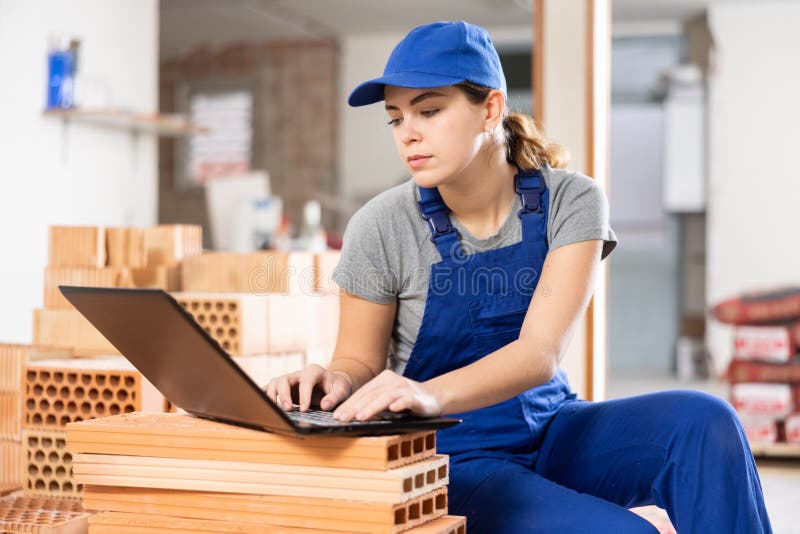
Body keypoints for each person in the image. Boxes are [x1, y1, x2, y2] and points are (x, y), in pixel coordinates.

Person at [265, 20, 772, 534]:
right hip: (454, 455)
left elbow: (539, 354)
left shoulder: (571, 201)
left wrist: (431, 392)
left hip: (553, 427)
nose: (408, 133)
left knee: (706, 423)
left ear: (490, 108)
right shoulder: (380, 224)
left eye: (430, 110)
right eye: (395, 119)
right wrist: (333, 380)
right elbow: (358, 361)